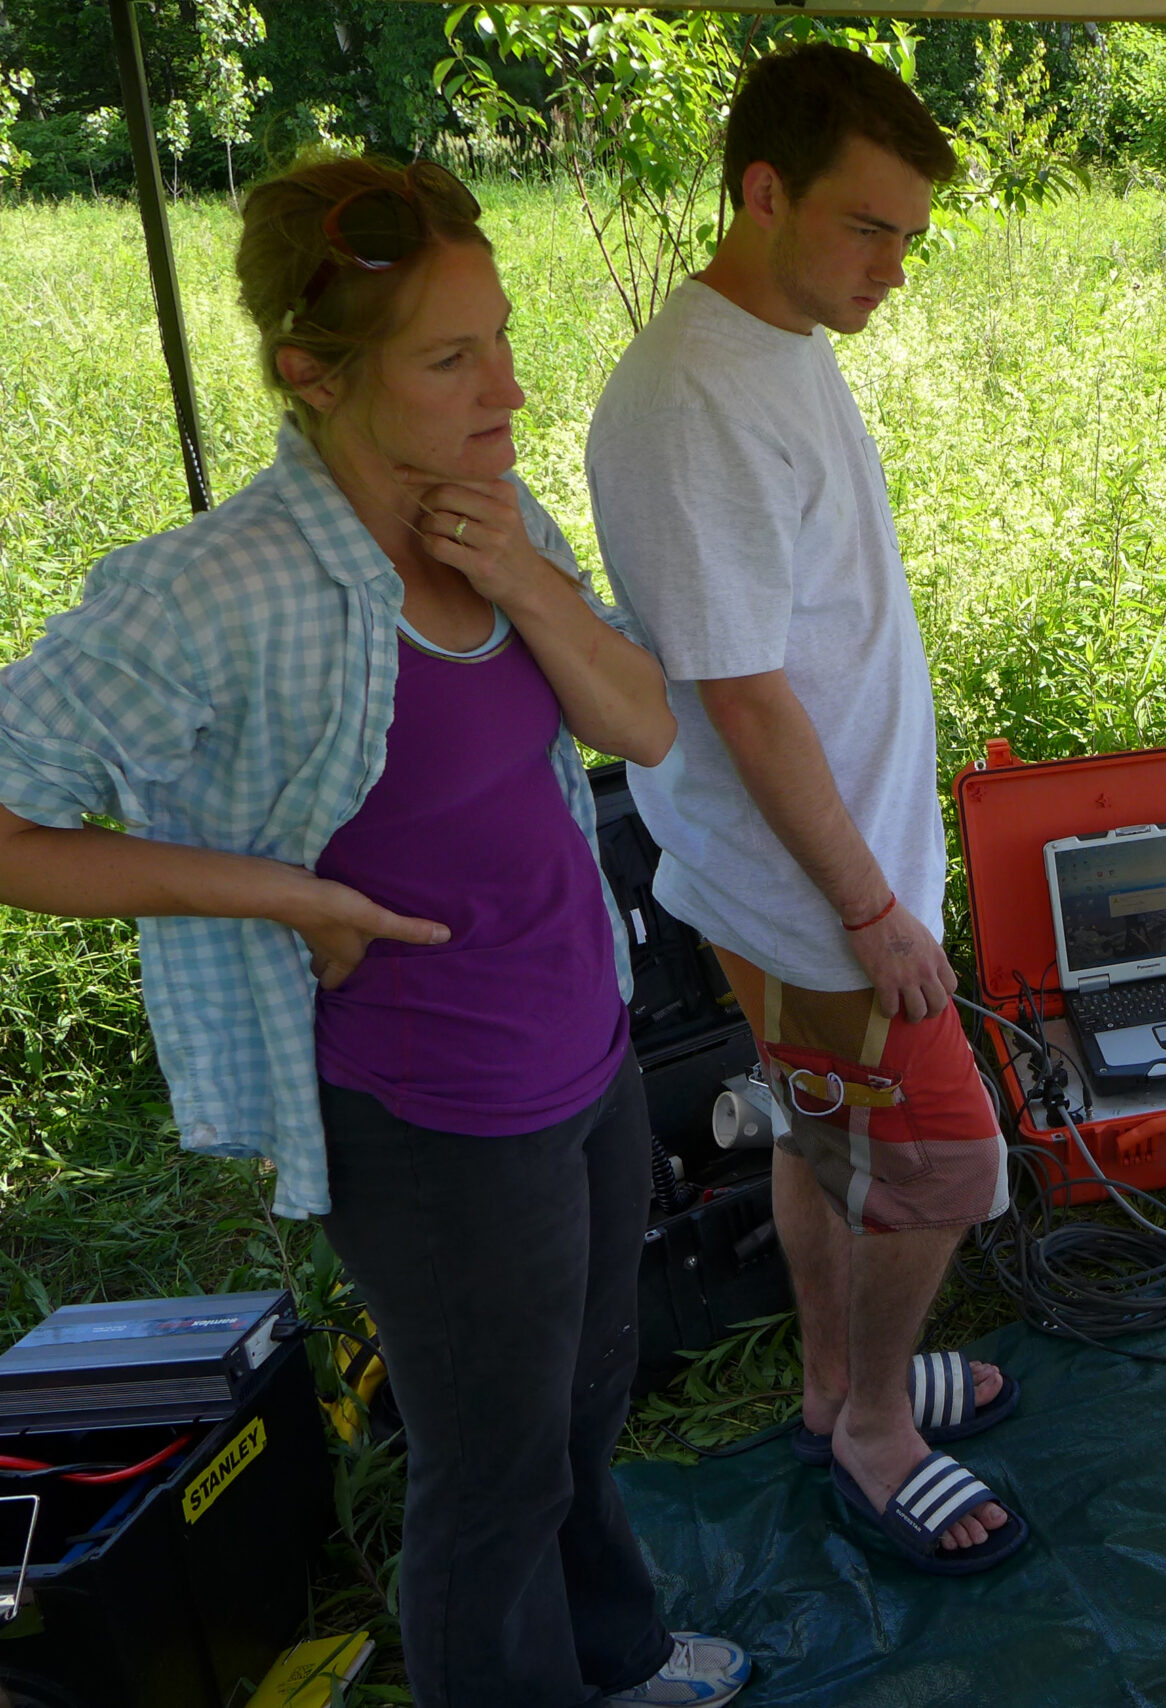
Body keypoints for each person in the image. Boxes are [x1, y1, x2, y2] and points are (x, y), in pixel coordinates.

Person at [0, 156, 748, 1706]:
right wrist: (290, 897)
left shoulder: (497, 511)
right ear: (309, 373)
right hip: (430, 1116)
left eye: (502, 338)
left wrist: (526, 575)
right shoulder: (215, 592)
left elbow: (643, 727)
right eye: (450, 356)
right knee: (491, 1476)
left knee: (585, 1408)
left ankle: (609, 1656)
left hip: (584, 1041)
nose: (513, 387)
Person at [585, 45, 1025, 1576]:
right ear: (762, 191)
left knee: (825, 1135)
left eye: (910, 235)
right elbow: (743, 698)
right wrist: (870, 908)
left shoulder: (780, 335)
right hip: (807, 895)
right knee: (947, 1164)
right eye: (867, 227)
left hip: (825, 871)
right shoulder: (693, 398)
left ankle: (835, 1384)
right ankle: (875, 1430)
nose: (893, 268)